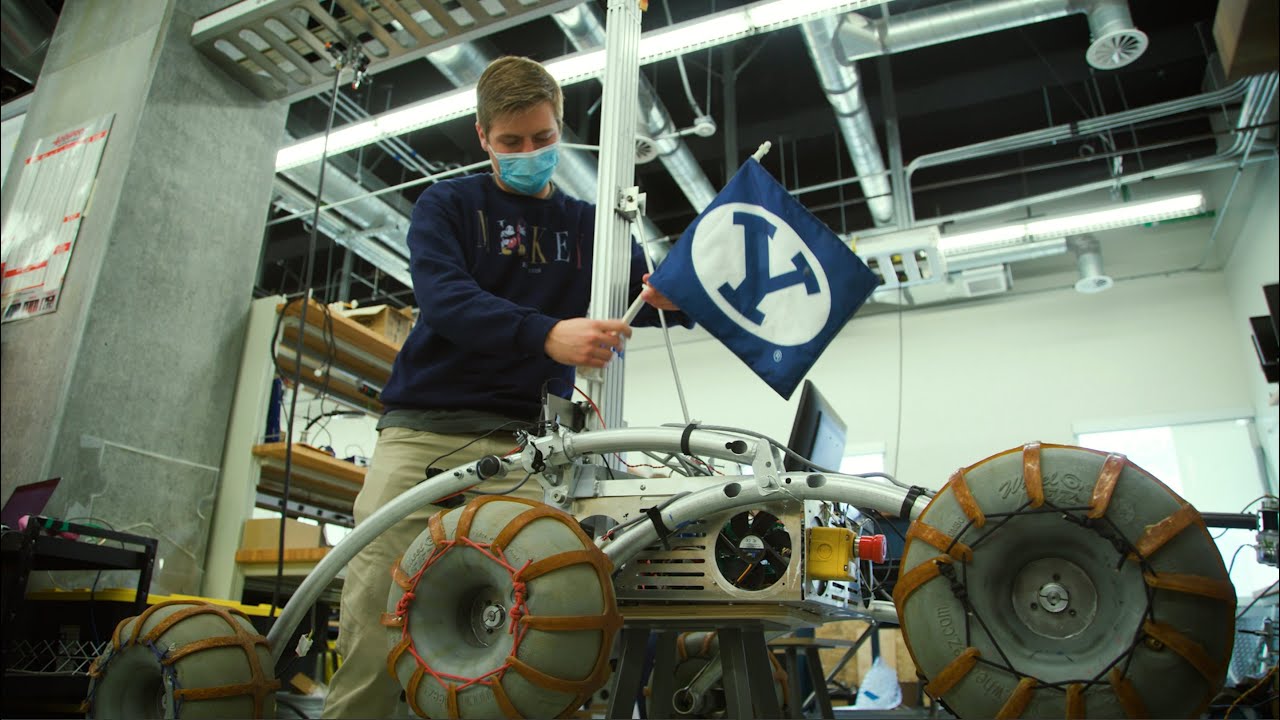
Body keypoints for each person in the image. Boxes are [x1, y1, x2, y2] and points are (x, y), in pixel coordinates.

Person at [323, 56, 683, 718]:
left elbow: (652, 293)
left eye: (543, 139)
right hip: (423, 435)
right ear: (483, 137)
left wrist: (674, 284)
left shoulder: (593, 230)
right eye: (511, 142)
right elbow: (447, 299)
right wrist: (545, 334)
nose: (529, 153)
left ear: (560, 130)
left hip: (529, 452)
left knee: (532, 632)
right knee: (378, 613)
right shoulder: (449, 206)